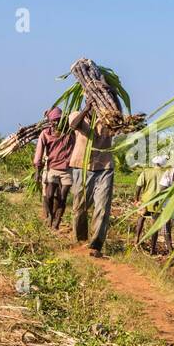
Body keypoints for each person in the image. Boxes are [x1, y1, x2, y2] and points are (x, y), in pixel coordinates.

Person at [67, 99, 116, 257]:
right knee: (80, 208)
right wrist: (86, 110)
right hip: (82, 167)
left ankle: (95, 245)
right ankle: (80, 240)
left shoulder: (108, 118)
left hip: (105, 167)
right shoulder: (76, 115)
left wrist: (111, 101)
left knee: (102, 208)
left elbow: (120, 123)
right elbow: (74, 125)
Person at [32, 107, 74, 230]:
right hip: (52, 169)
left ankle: (56, 222)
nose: (56, 123)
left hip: (67, 170)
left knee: (62, 197)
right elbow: (38, 154)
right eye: (54, 120)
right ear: (50, 121)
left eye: (58, 120)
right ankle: (50, 215)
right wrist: (37, 172)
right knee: (49, 195)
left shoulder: (70, 133)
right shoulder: (45, 133)